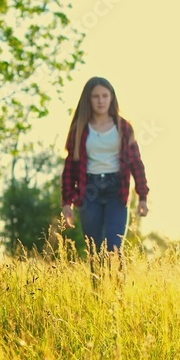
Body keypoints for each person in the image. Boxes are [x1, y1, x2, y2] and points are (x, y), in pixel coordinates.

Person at [61, 77, 149, 275]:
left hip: (116, 191)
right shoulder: (79, 129)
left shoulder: (124, 127)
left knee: (114, 247)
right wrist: (67, 202)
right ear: (88, 99)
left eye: (104, 96)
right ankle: (98, 289)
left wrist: (143, 196)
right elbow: (70, 167)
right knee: (94, 249)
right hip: (88, 192)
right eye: (95, 96)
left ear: (111, 98)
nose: (100, 100)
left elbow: (136, 162)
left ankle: (117, 290)